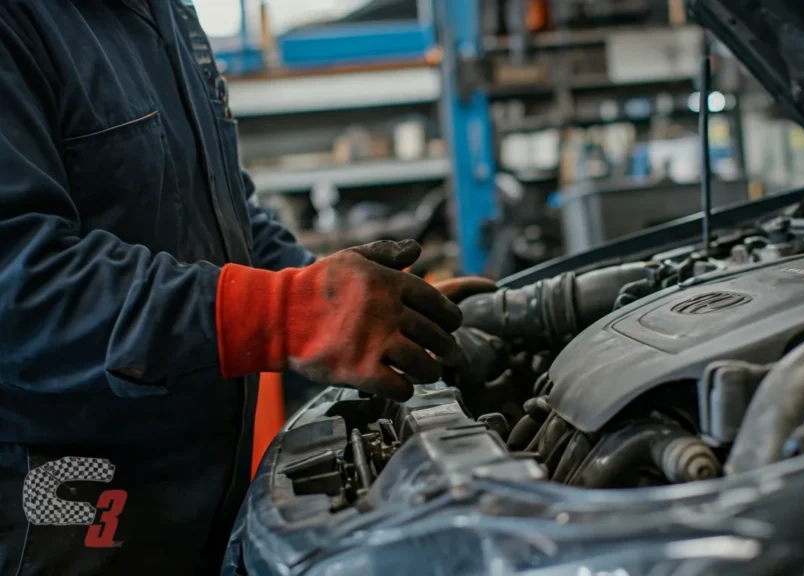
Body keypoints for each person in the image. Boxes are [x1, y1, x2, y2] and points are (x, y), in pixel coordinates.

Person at [0, 1, 495, 574]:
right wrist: (286, 315)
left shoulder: (167, 13)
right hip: (64, 509)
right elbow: (20, 284)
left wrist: (356, 304)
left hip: (201, 498)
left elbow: (227, 218)